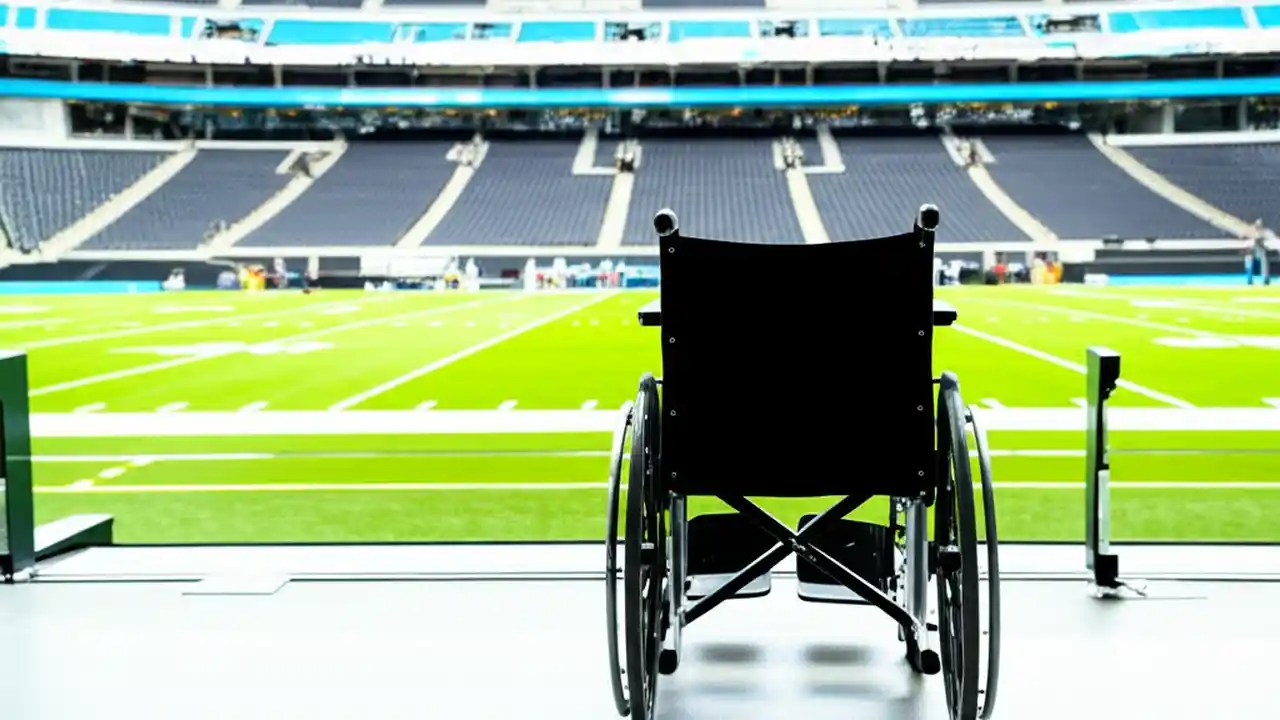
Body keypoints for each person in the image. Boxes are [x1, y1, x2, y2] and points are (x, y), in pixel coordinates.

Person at [1245, 220, 1273, 286]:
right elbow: (1247, 243)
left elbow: (1267, 242)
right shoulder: (1250, 233)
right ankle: (1249, 280)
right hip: (1252, 251)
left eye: (1260, 225)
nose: (1258, 226)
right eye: (1257, 225)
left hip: (1261, 250)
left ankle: (1266, 279)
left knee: (1264, 259)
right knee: (1248, 260)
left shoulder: (1265, 232)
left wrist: (1263, 245)